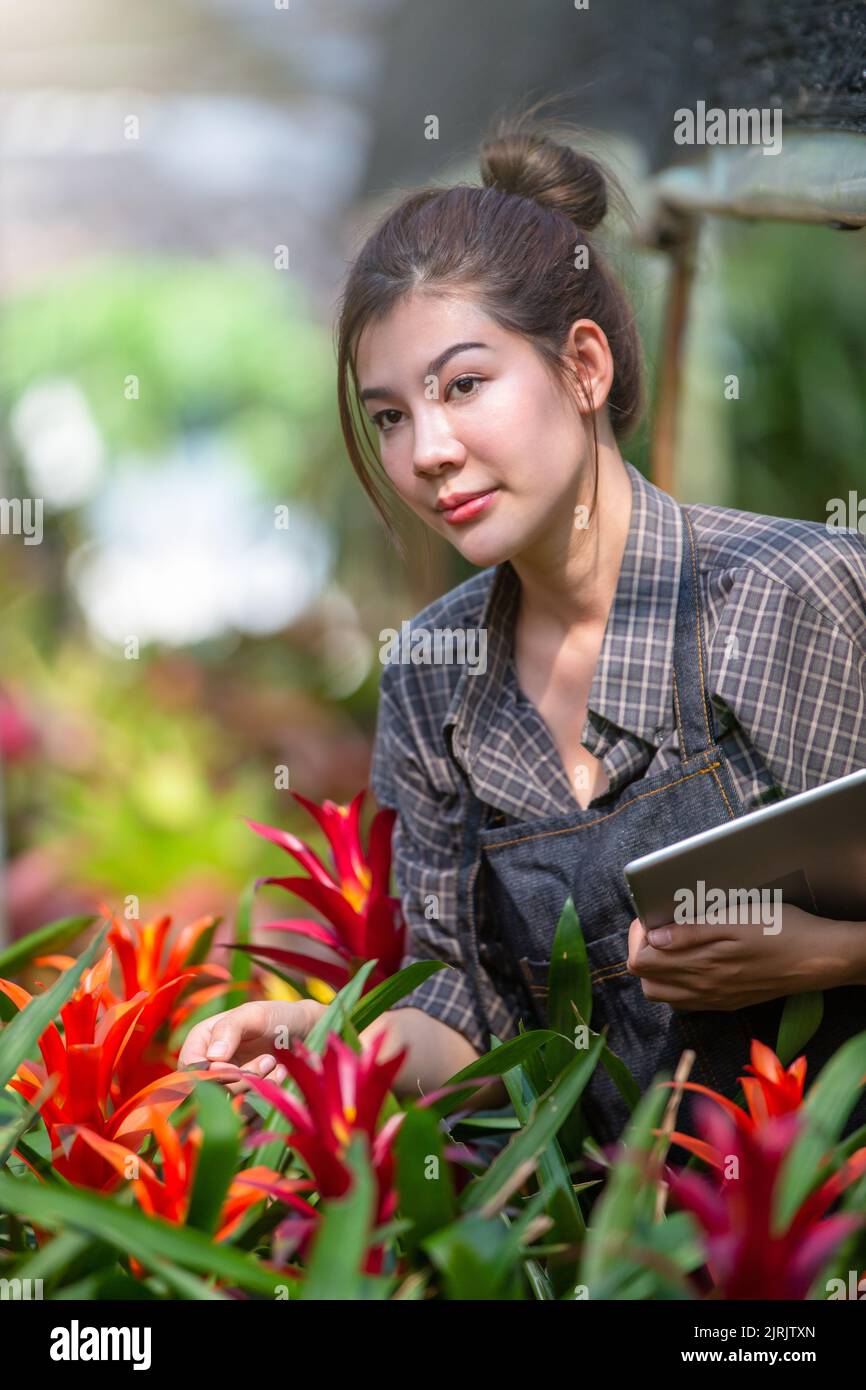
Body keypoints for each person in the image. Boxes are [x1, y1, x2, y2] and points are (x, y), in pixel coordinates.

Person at [180, 106, 866, 1144]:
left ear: (582, 367)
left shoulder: (787, 593)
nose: (427, 451)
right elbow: (474, 1024)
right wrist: (325, 1038)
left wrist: (827, 955)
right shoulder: (432, 677)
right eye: (389, 416)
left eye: (463, 385)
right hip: (595, 1243)